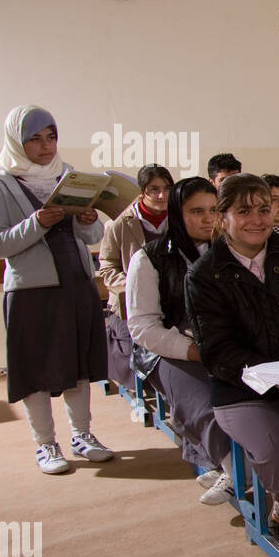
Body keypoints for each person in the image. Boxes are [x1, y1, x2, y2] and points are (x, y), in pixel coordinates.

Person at [0, 105, 114, 474]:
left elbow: (93, 236)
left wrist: (88, 220)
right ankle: (45, 445)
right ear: (16, 142)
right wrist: (37, 222)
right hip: (32, 293)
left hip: (76, 284)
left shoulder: (68, 177)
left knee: (78, 366)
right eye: (34, 139)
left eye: (51, 137)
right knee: (35, 369)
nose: (45, 146)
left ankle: (82, 434)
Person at [185, 173, 279, 535]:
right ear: (222, 217)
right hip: (240, 388)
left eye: (264, 209)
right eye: (243, 211)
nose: (258, 220)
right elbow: (216, 349)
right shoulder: (204, 274)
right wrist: (268, 377)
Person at [126, 177, 234, 504]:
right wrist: (189, 350)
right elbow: (143, 327)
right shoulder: (149, 258)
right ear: (176, 213)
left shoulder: (229, 251)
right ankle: (235, 471)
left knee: (252, 402)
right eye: (196, 211)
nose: (208, 219)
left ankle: (225, 465)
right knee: (206, 404)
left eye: (214, 210)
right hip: (167, 351)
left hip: (220, 347)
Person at [98, 163, 174, 390]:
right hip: (131, 301)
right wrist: (130, 284)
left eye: (166, 188)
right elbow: (107, 265)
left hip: (171, 296)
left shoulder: (180, 220)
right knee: (132, 353)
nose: (161, 195)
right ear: (142, 192)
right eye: (154, 189)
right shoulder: (119, 222)